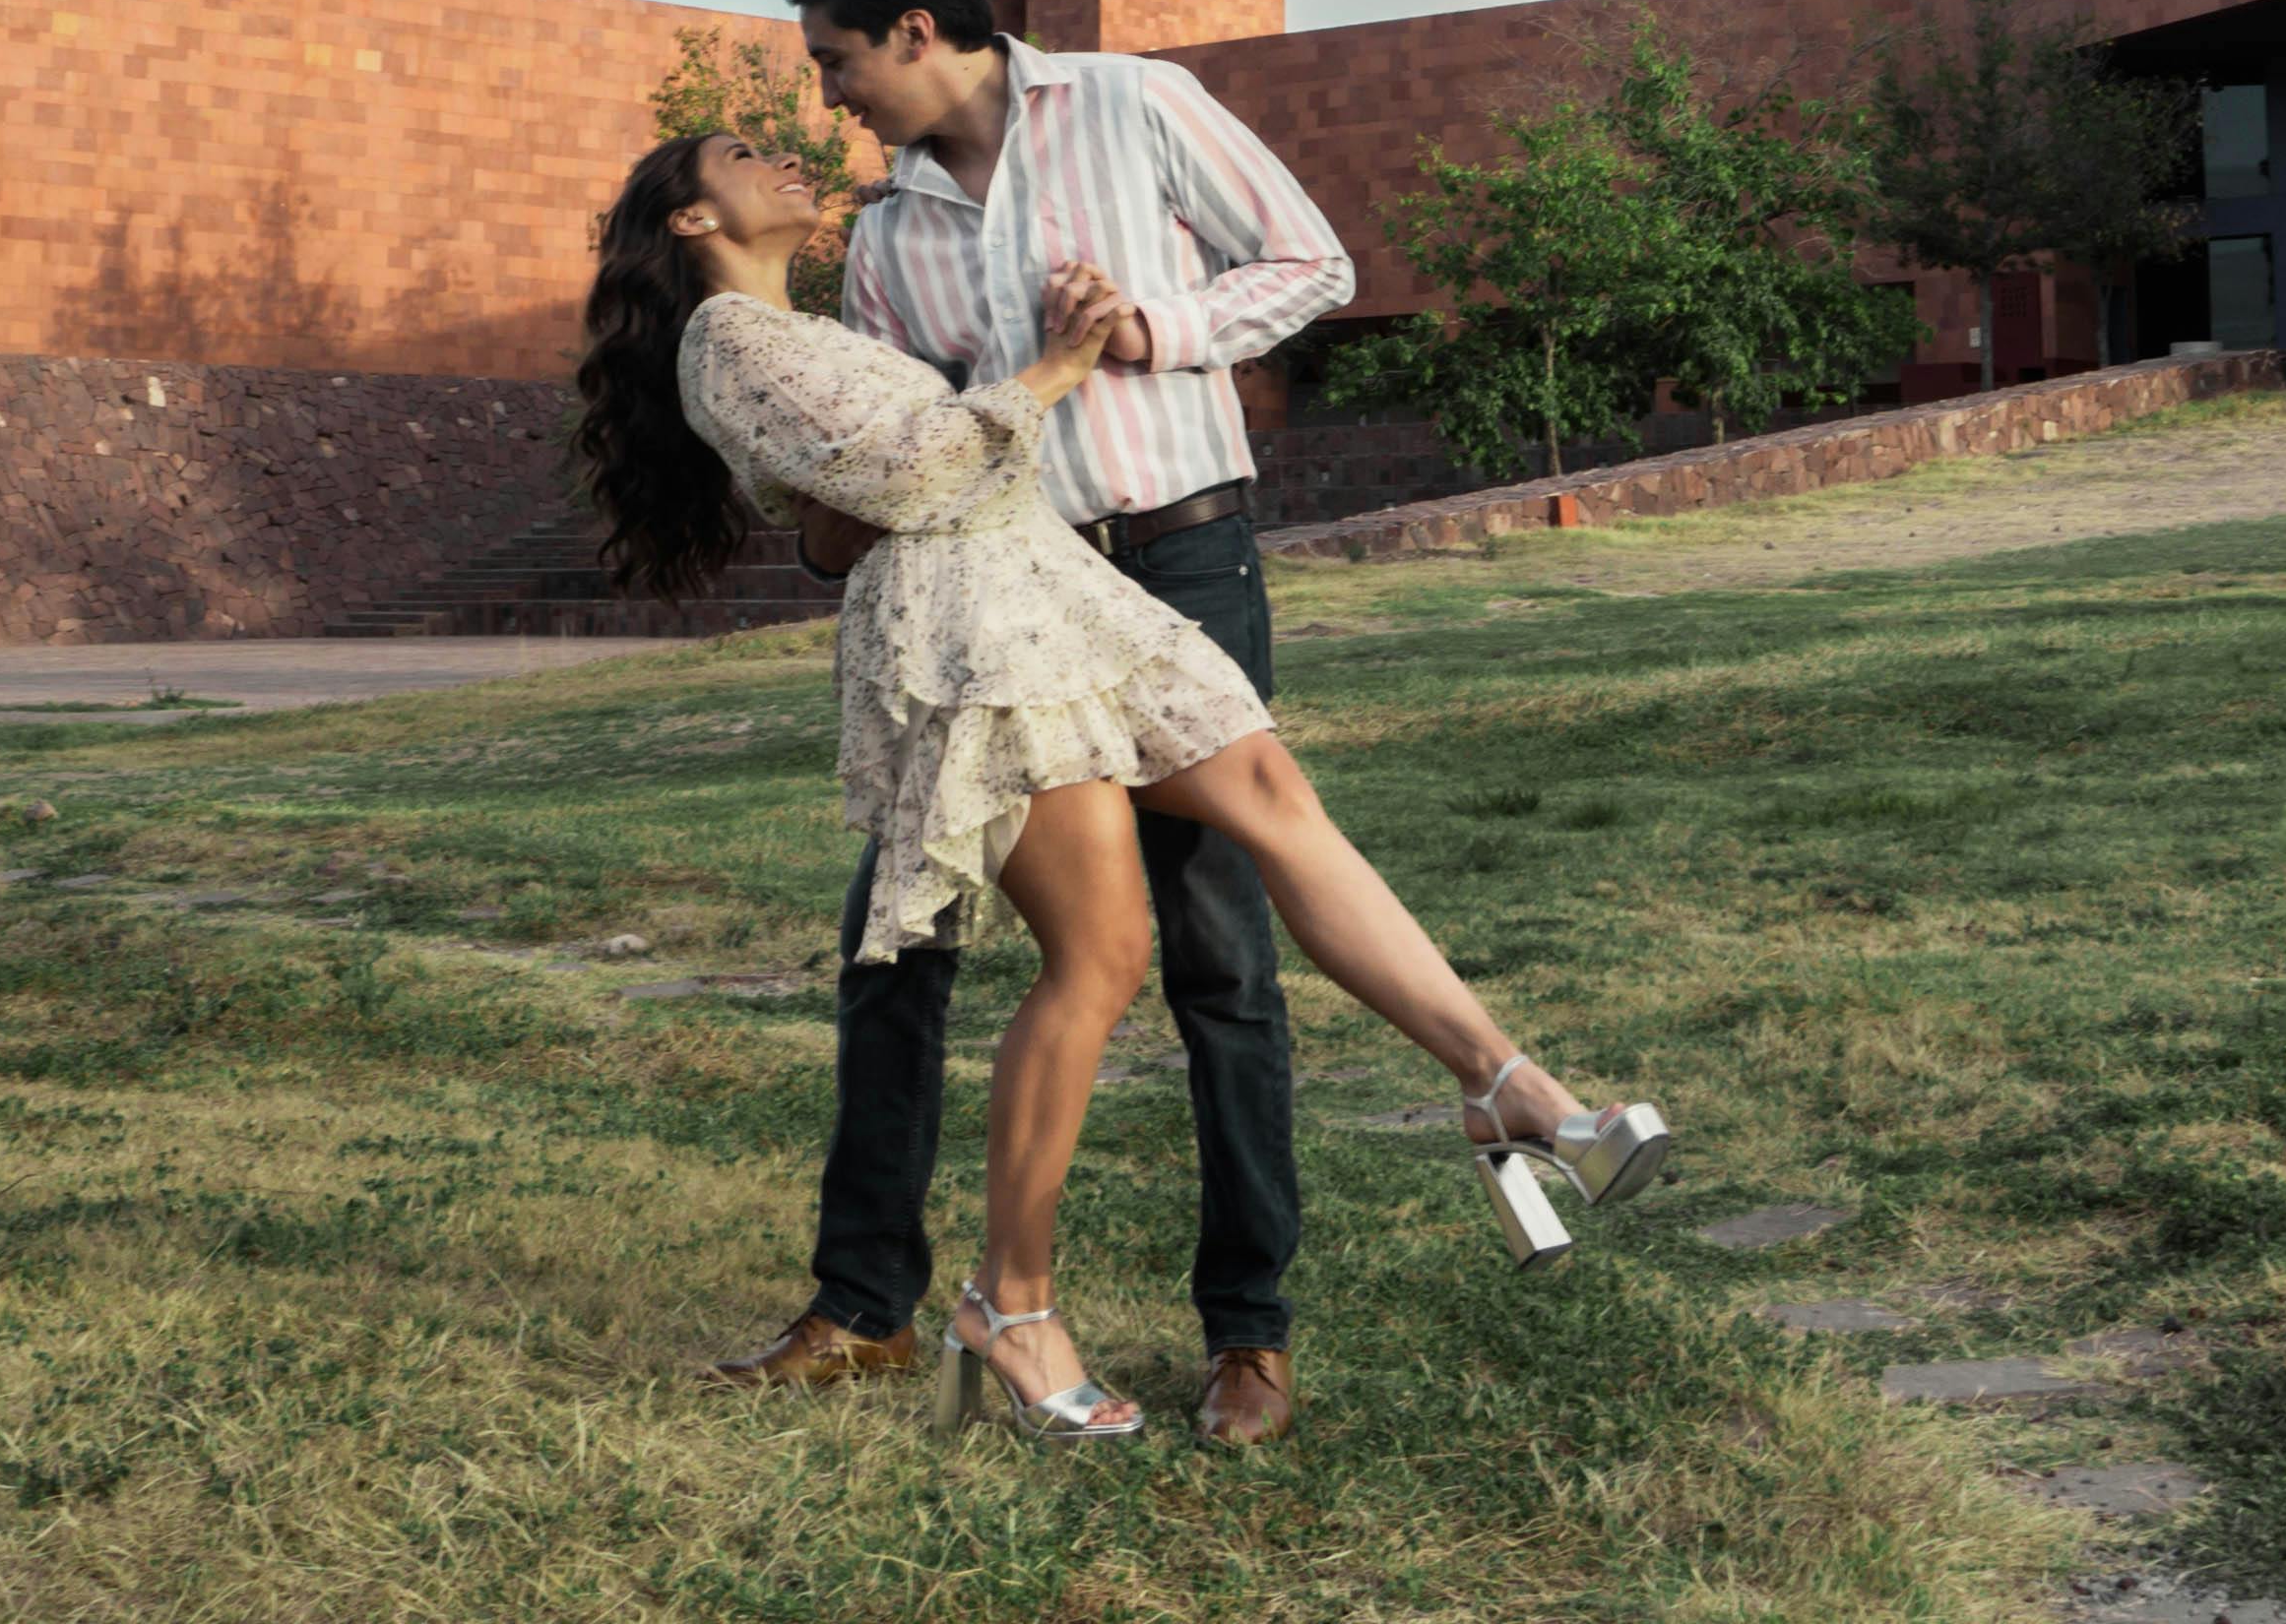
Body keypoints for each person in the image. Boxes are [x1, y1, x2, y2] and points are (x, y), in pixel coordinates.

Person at [571, 118, 1675, 1447]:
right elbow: (910, 478)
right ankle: (1011, 1305)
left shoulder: (814, 328)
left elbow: (880, 483)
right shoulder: (727, 341)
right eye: (742, 152)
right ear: (691, 221)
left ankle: (1512, 1088)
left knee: (1274, 794)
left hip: (1058, 590)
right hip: (977, 625)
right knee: (1099, 959)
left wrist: (1012, 380)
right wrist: (1051, 365)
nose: (787, 149)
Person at [699, 0, 1349, 1439]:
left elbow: (1312, 262)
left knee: (1215, 951)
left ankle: (1247, 1330)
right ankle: (865, 1305)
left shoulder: (1136, 102)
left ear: (917, 32)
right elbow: (906, 446)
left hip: (1182, 559)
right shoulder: (883, 235)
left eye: (839, 58)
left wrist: (1151, 334)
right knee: (895, 939)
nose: (831, 95)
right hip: (999, 612)